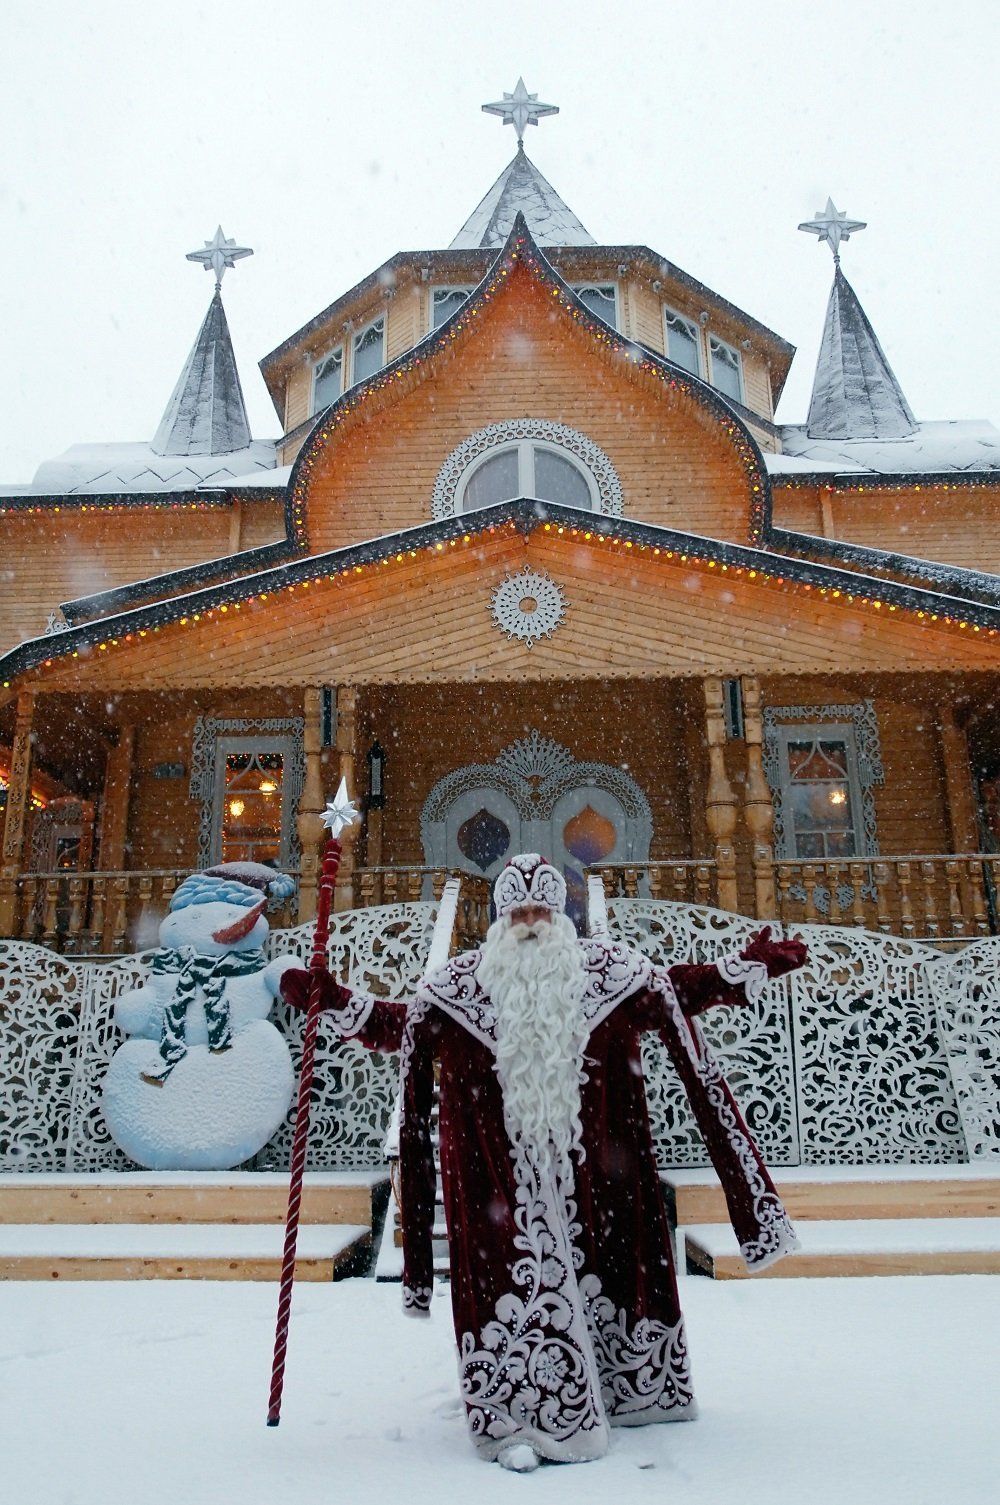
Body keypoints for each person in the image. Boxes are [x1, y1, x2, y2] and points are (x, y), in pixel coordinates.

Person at [281, 853, 807, 1470]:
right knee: (517, 1287)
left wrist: (740, 972)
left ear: (562, 916)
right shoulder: (456, 990)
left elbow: (675, 989)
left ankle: (627, 1391)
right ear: (500, 921)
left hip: (598, 1172)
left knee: (609, 1269)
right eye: (518, 912)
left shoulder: (608, 975)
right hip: (496, 1183)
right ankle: (523, 1419)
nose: (530, 923)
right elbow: (404, 1027)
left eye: (541, 911)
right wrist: (335, 1001)